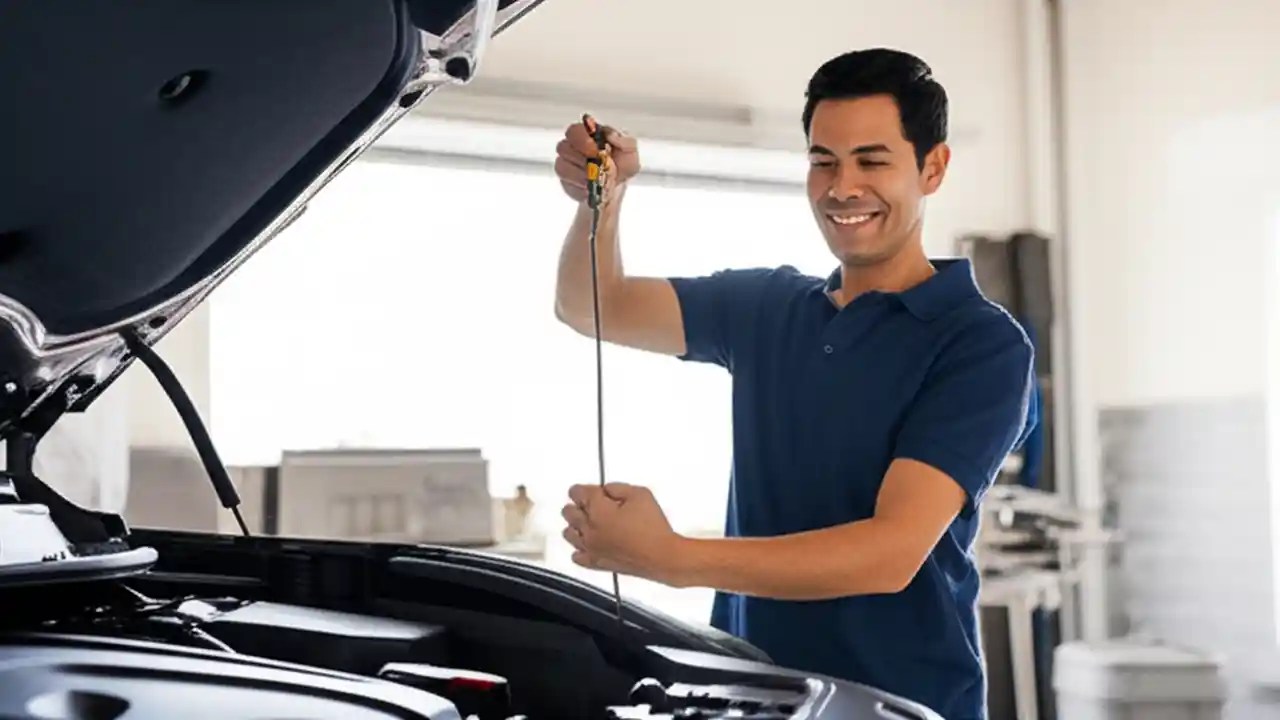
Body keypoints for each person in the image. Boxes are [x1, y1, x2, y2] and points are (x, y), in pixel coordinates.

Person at [552, 47, 1035, 720]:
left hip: (899, 706)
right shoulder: (768, 307)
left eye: (872, 161)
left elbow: (889, 553)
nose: (843, 187)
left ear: (932, 168)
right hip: (757, 697)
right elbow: (590, 304)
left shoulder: (979, 343)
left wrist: (672, 558)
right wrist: (601, 199)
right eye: (823, 161)